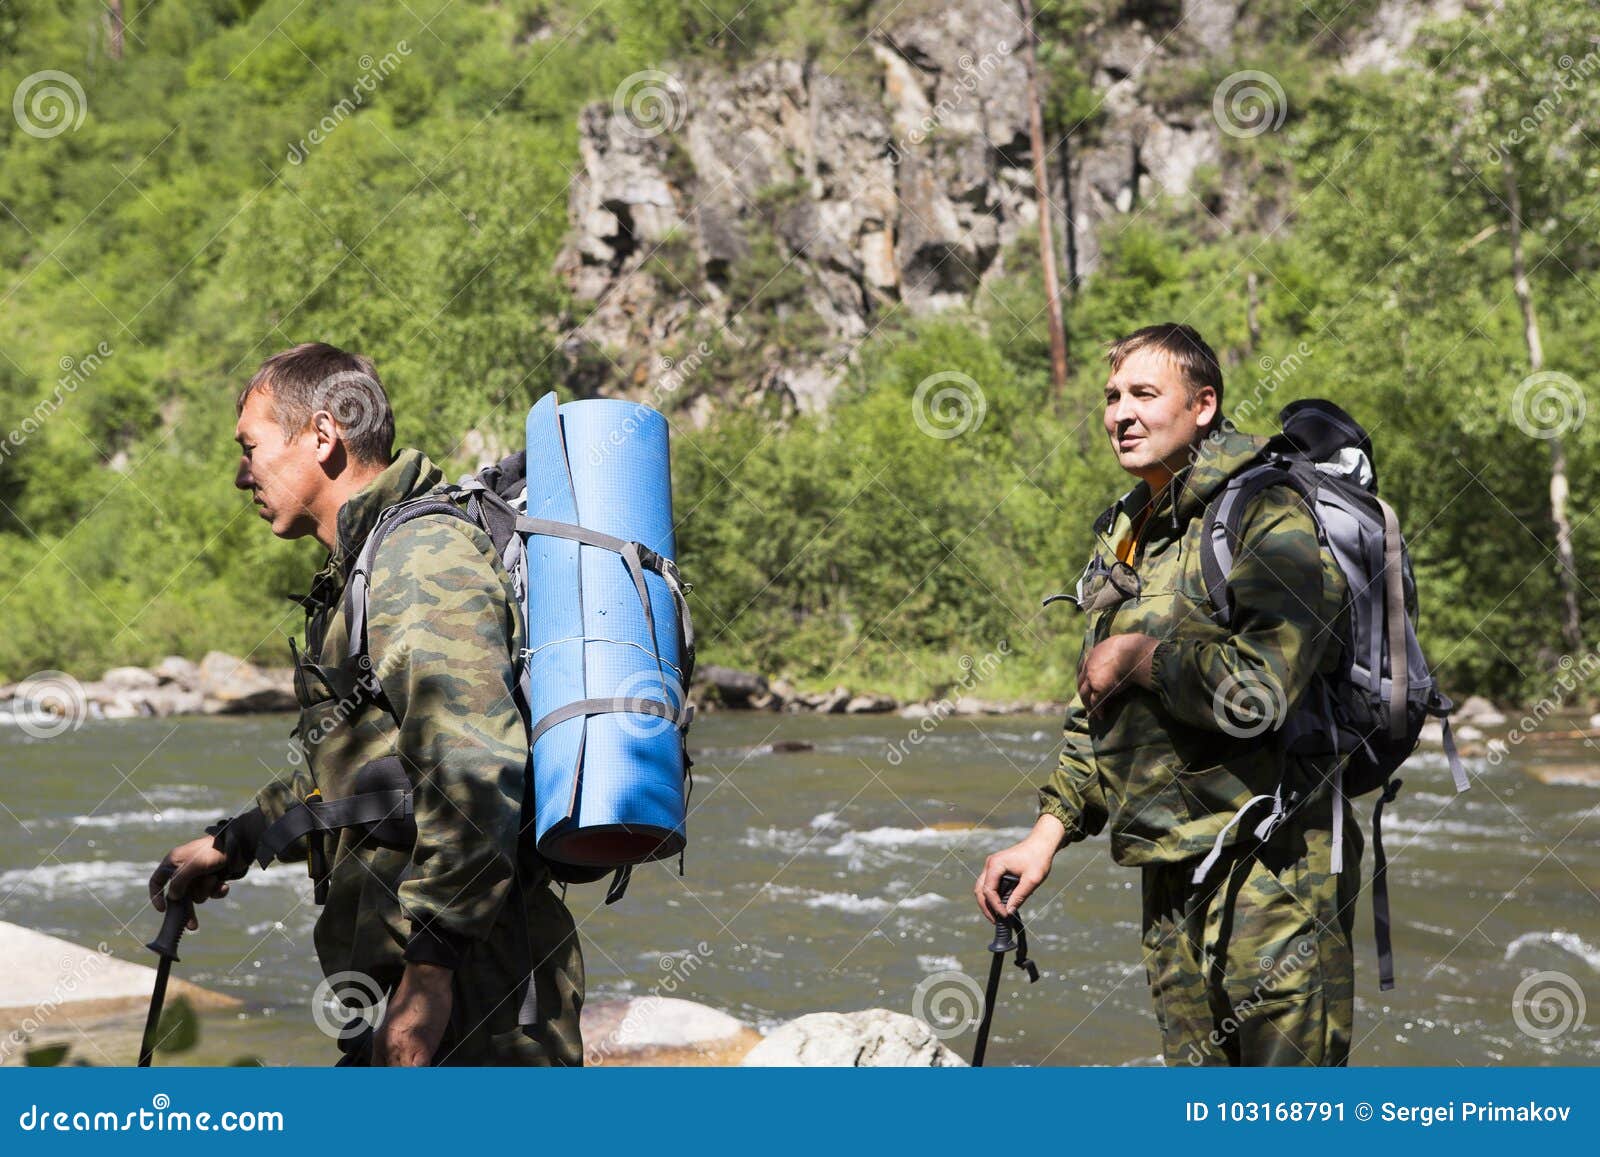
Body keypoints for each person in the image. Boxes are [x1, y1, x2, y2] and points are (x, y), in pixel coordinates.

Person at [148, 342, 583, 1066]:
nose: (241, 475)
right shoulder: (362, 567)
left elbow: (474, 764)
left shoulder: (420, 558)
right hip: (415, 980)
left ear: (323, 435)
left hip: (479, 996)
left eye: (250, 448)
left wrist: (430, 975)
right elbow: (362, 773)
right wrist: (236, 839)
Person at [976, 323, 1359, 1066]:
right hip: (1168, 868)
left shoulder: (1266, 513)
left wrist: (1145, 658)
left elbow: (1262, 688)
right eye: (1112, 396)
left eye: (1144, 394)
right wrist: (1044, 836)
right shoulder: (1129, 533)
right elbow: (1098, 708)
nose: (1121, 413)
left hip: (1274, 871)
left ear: (1202, 405)